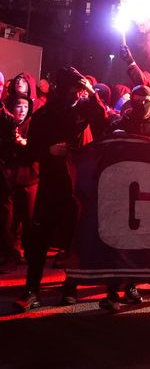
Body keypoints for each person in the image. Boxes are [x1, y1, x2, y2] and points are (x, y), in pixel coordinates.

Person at [13, 67, 107, 312]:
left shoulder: (85, 109)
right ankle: (32, 289)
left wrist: (90, 90)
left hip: (76, 187)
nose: (77, 95)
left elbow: (103, 118)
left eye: (79, 90)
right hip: (50, 183)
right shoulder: (45, 115)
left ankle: (70, 287)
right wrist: (49, 151)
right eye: (73, 90)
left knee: (73, 239)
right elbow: (31, 150)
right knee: (39, 239)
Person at [97, 85, 150, 311]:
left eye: (147, 100)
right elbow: (101, 153)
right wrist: (113, 139)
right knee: (117, 241)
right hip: (121, 192)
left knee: (141, 242)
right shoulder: (119, 124)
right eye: (137, 99)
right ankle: (112, 291)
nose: (142, 104)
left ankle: (131, 285)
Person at [0, 94, 37, 273]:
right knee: (9, 220)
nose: (22, 110)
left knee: (29, 219)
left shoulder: (33, 125)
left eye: (25, 106)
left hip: (29, 178)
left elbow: (39, 149)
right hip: (8, 179)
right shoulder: (6, 125)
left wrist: (25, 144)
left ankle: (30, 254)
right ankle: (10, 255)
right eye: (18, 106)